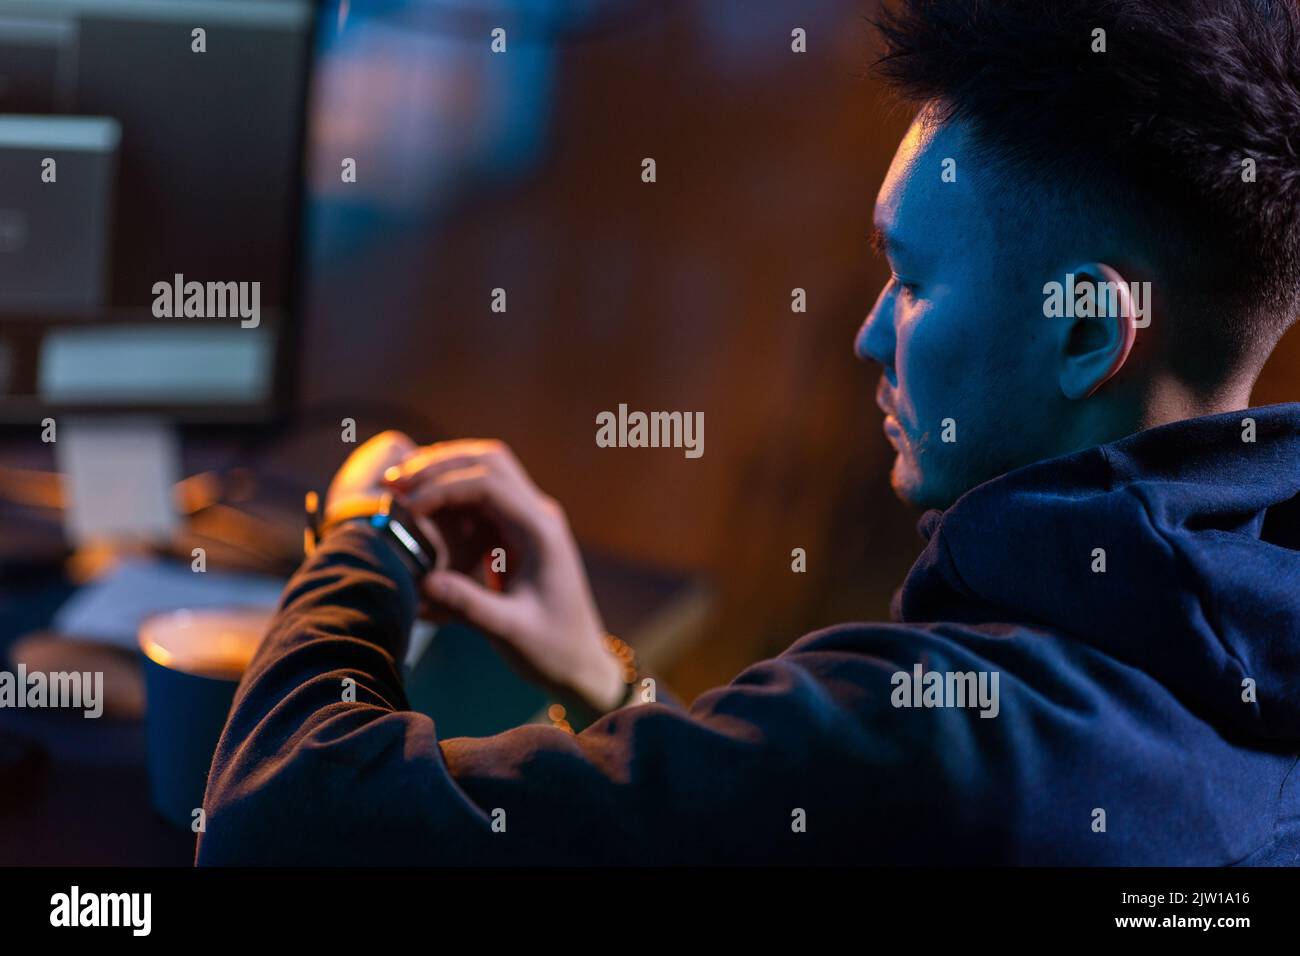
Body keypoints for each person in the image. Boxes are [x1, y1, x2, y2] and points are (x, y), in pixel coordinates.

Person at [197, 0, 1300, 865]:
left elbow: (279, 824)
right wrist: (604, 677)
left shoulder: (944, 742)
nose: (870, 335)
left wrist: (365, 541)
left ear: (1085, 330)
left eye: (912, 281)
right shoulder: (1233, 653)